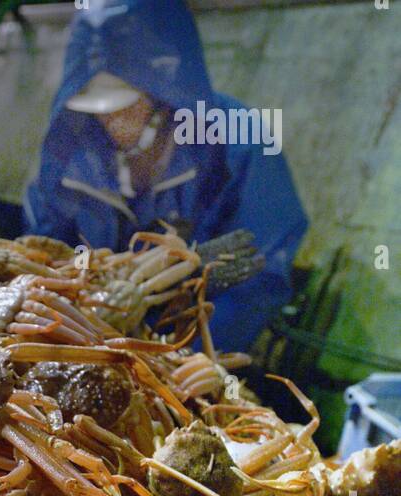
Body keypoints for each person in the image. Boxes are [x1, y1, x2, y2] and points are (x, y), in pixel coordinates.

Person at [24, 0, 308, 351]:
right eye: (97, 108)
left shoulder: (238, 138)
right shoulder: (70, 146)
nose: (112, 120)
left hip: (194, 337)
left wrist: (184, 355)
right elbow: (45, 246)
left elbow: (261, 267)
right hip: (89, 331)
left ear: (164, 90)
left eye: (124, 104)